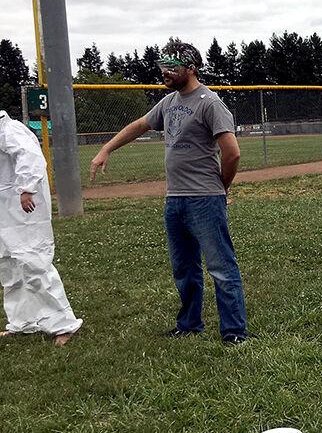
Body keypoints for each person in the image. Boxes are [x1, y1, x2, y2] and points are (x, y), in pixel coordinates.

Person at [89, 39, 248, 345]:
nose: (164, 72)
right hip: (175, 200)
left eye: (171, 67)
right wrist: (106, 148)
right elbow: (139, 125)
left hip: (204, 199)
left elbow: (232, 153)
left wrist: (220, 188)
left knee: (221, 267)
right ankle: (189, 325)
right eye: (162, 66)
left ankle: (234, 333)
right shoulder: (169, 103)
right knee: (184, 269)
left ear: (191, 68)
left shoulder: (209, 103)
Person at [0, 111, 82, 346]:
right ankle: (21, 322)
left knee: (33, 262)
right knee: (9, 266)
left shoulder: (10, 129)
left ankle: (62, 324)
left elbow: (31, 157)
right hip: (5, 209)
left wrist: (26, 188)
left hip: (23, 207)